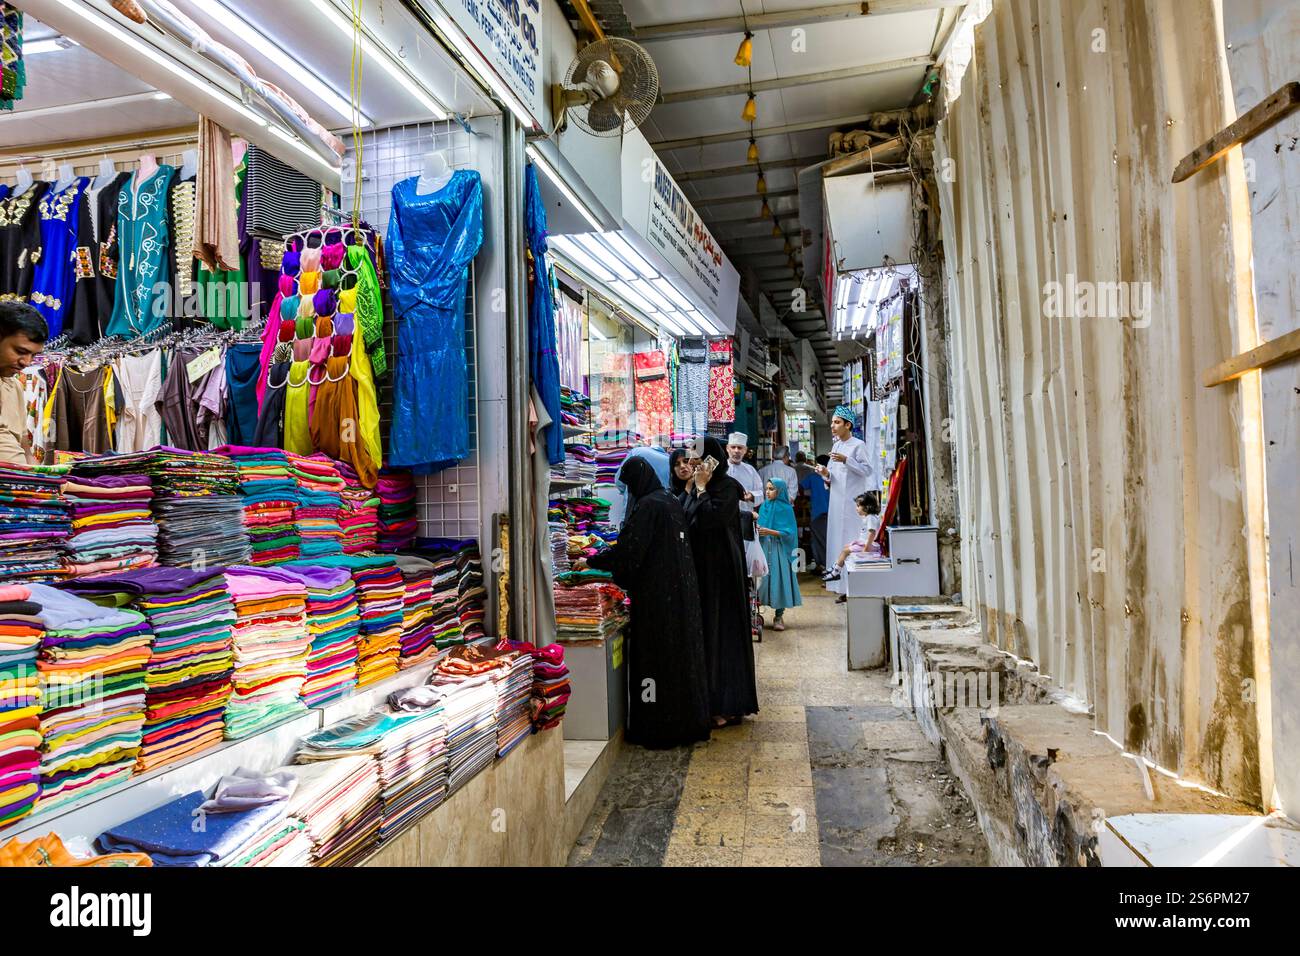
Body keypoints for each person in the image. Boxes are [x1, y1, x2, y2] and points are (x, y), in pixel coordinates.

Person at [583, 457, 712, 748]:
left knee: (656, 661)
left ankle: (658, 727)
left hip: (658, 598)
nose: (628, 493)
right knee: (679, 660)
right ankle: (685, 722)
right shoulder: (669, 501)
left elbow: (631, 552)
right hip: (681, 596)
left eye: (628, 486)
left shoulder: (649, 506)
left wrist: (593, 560)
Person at [682, 434, 759, 725]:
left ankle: (727, 705)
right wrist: (694, 489)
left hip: (723, 573)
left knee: (723, 634)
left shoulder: (727, 488)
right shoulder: (699, 487)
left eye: (697, 459)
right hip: (702, 571)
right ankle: (709, 702)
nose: (692, 463)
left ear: (712, 460)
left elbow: (713, 520)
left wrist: (701, 491)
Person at [819, 405, 873, 601]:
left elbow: (867, 471)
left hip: (852, 503)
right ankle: (841, 587)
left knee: (850, 540)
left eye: (837, 422)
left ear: (848, 425)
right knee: (836, 541)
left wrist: (847, 460)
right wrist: (825, 474)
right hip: (836, 500)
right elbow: (832, 475)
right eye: (832, 422)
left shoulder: (858, 445)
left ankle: (854, 587)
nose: (833, 426)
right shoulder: (836, 446)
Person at [0, 301, 48, 465]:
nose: (27, 363)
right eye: (21, 352)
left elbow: (24, 449)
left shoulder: (15, 387)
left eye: (33, 356)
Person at [757, 478, 802, 631]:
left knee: (779, 579)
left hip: (779, 549)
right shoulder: (764, 506)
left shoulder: (786, 509)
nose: (767, 492)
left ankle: (779, 616)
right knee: (761, 580)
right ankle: (756, 612)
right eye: (767, 489)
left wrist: (769, 531)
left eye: (771, 489)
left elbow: (790, 533)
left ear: (780, 491)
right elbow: (760, 525)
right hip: (764, 547)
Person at [724, 431, 766, 579]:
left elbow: (761, 493)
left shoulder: (750, 470)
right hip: (725, 521)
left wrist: (751, 496)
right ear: (727, 448)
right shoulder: (721, 469)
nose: (736, 451)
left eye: (740, 448)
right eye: (734, 447)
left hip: (746, 521)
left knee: (746, 558)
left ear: (745, 450)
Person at [823, 491, 882, 582]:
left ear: (867, 507)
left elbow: (872, 533)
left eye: (858, 506)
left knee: (845, 551)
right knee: (846, 547)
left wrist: (867, 547)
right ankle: (835, 566)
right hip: (863, 542)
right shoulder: (869, 517)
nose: (856, 508)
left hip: (868, 544)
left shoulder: (870, 518)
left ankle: (836, 572)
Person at [617, 444, 672, 525]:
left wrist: (625, 492)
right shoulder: (669, 460)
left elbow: (620, 479)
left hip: (633, 506)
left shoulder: (636, 451)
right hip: (660, 511)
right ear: (668, 448)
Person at [800, 453, 832, 572]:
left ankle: (820, 565)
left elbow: (801, 486)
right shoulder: (832, 476)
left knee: (817, 539)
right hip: (832, 512)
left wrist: (803, 498)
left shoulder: (813, 477)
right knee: (831, 538)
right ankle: (830, 563)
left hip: (817, 512)